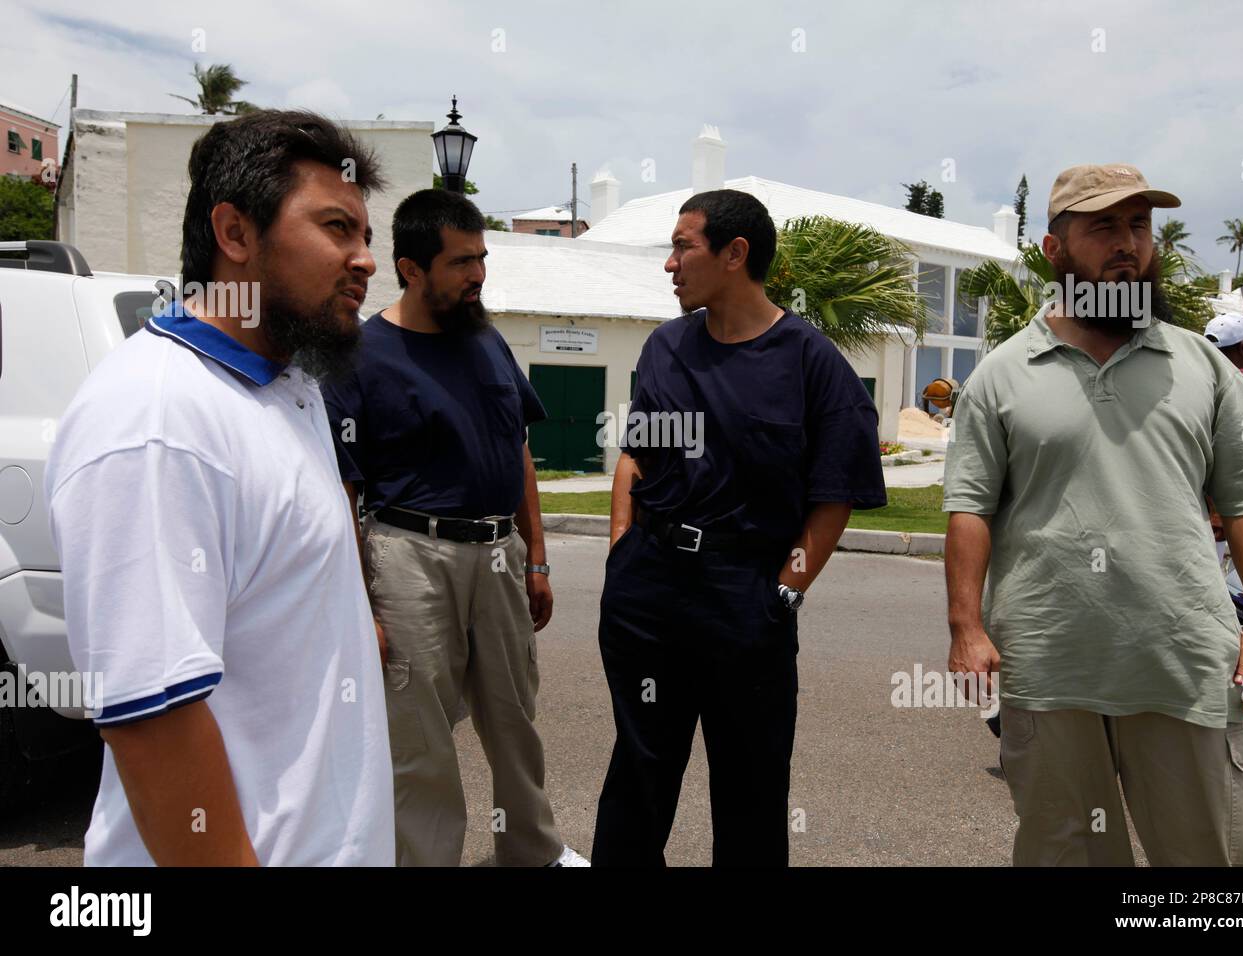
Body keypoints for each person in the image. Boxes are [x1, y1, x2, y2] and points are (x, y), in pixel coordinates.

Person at [45, 111, 394, 865]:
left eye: (368, 237)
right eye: (338, 228)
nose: (366, 260)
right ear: (235, 233)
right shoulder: (155, 418)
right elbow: (152, 720)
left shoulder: (290, 382)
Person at [944, 163, 1243, 866]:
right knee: (1067, 851)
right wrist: (966, 627)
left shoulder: (1201, 366)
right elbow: (969, 507)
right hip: (1046, 663)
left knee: (1206, 860)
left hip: (1185, 662)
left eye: (1139, 226)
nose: (1127, 243)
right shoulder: (1003, 375)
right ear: (1055, 249)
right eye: (1104, 226)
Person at [592, 189, 887, 866]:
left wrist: (785, 591)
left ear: (735, 254)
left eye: (682, 246)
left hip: (745, 595)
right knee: (638, 778)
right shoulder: (667, 346)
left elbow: (835, 496)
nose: (669, 264)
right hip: (650, 589)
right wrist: (621, 556)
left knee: (751, 792)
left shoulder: (812, 363)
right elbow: (636, 456)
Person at [322, 189, 585, 867]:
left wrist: (537, 559)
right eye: (462, 262)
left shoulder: (487, 340)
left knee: (514, 720)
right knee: (420, 736)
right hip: (410, 555)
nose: (478, 276)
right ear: (411, 268)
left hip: (500, 553)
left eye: (482, 258)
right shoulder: (358, 355)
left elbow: (516, 447)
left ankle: (532, 852)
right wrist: (362, 604)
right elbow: (345, 492)